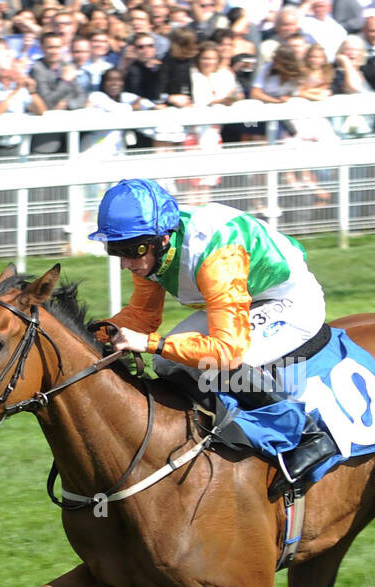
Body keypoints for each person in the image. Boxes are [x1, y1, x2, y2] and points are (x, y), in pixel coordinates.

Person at [89, 178, 338, 496]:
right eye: (116, 250)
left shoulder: (215, 256)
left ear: (162, 238)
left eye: (132, 250)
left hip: (287, 302)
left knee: (215, 362)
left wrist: (153, 343)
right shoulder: (153, 252)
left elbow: (227, 351)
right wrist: (91, 334)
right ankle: (217, 424)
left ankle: (309, 435)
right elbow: (143, 317)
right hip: (240, 299)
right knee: (165, 365)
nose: (125, 263)